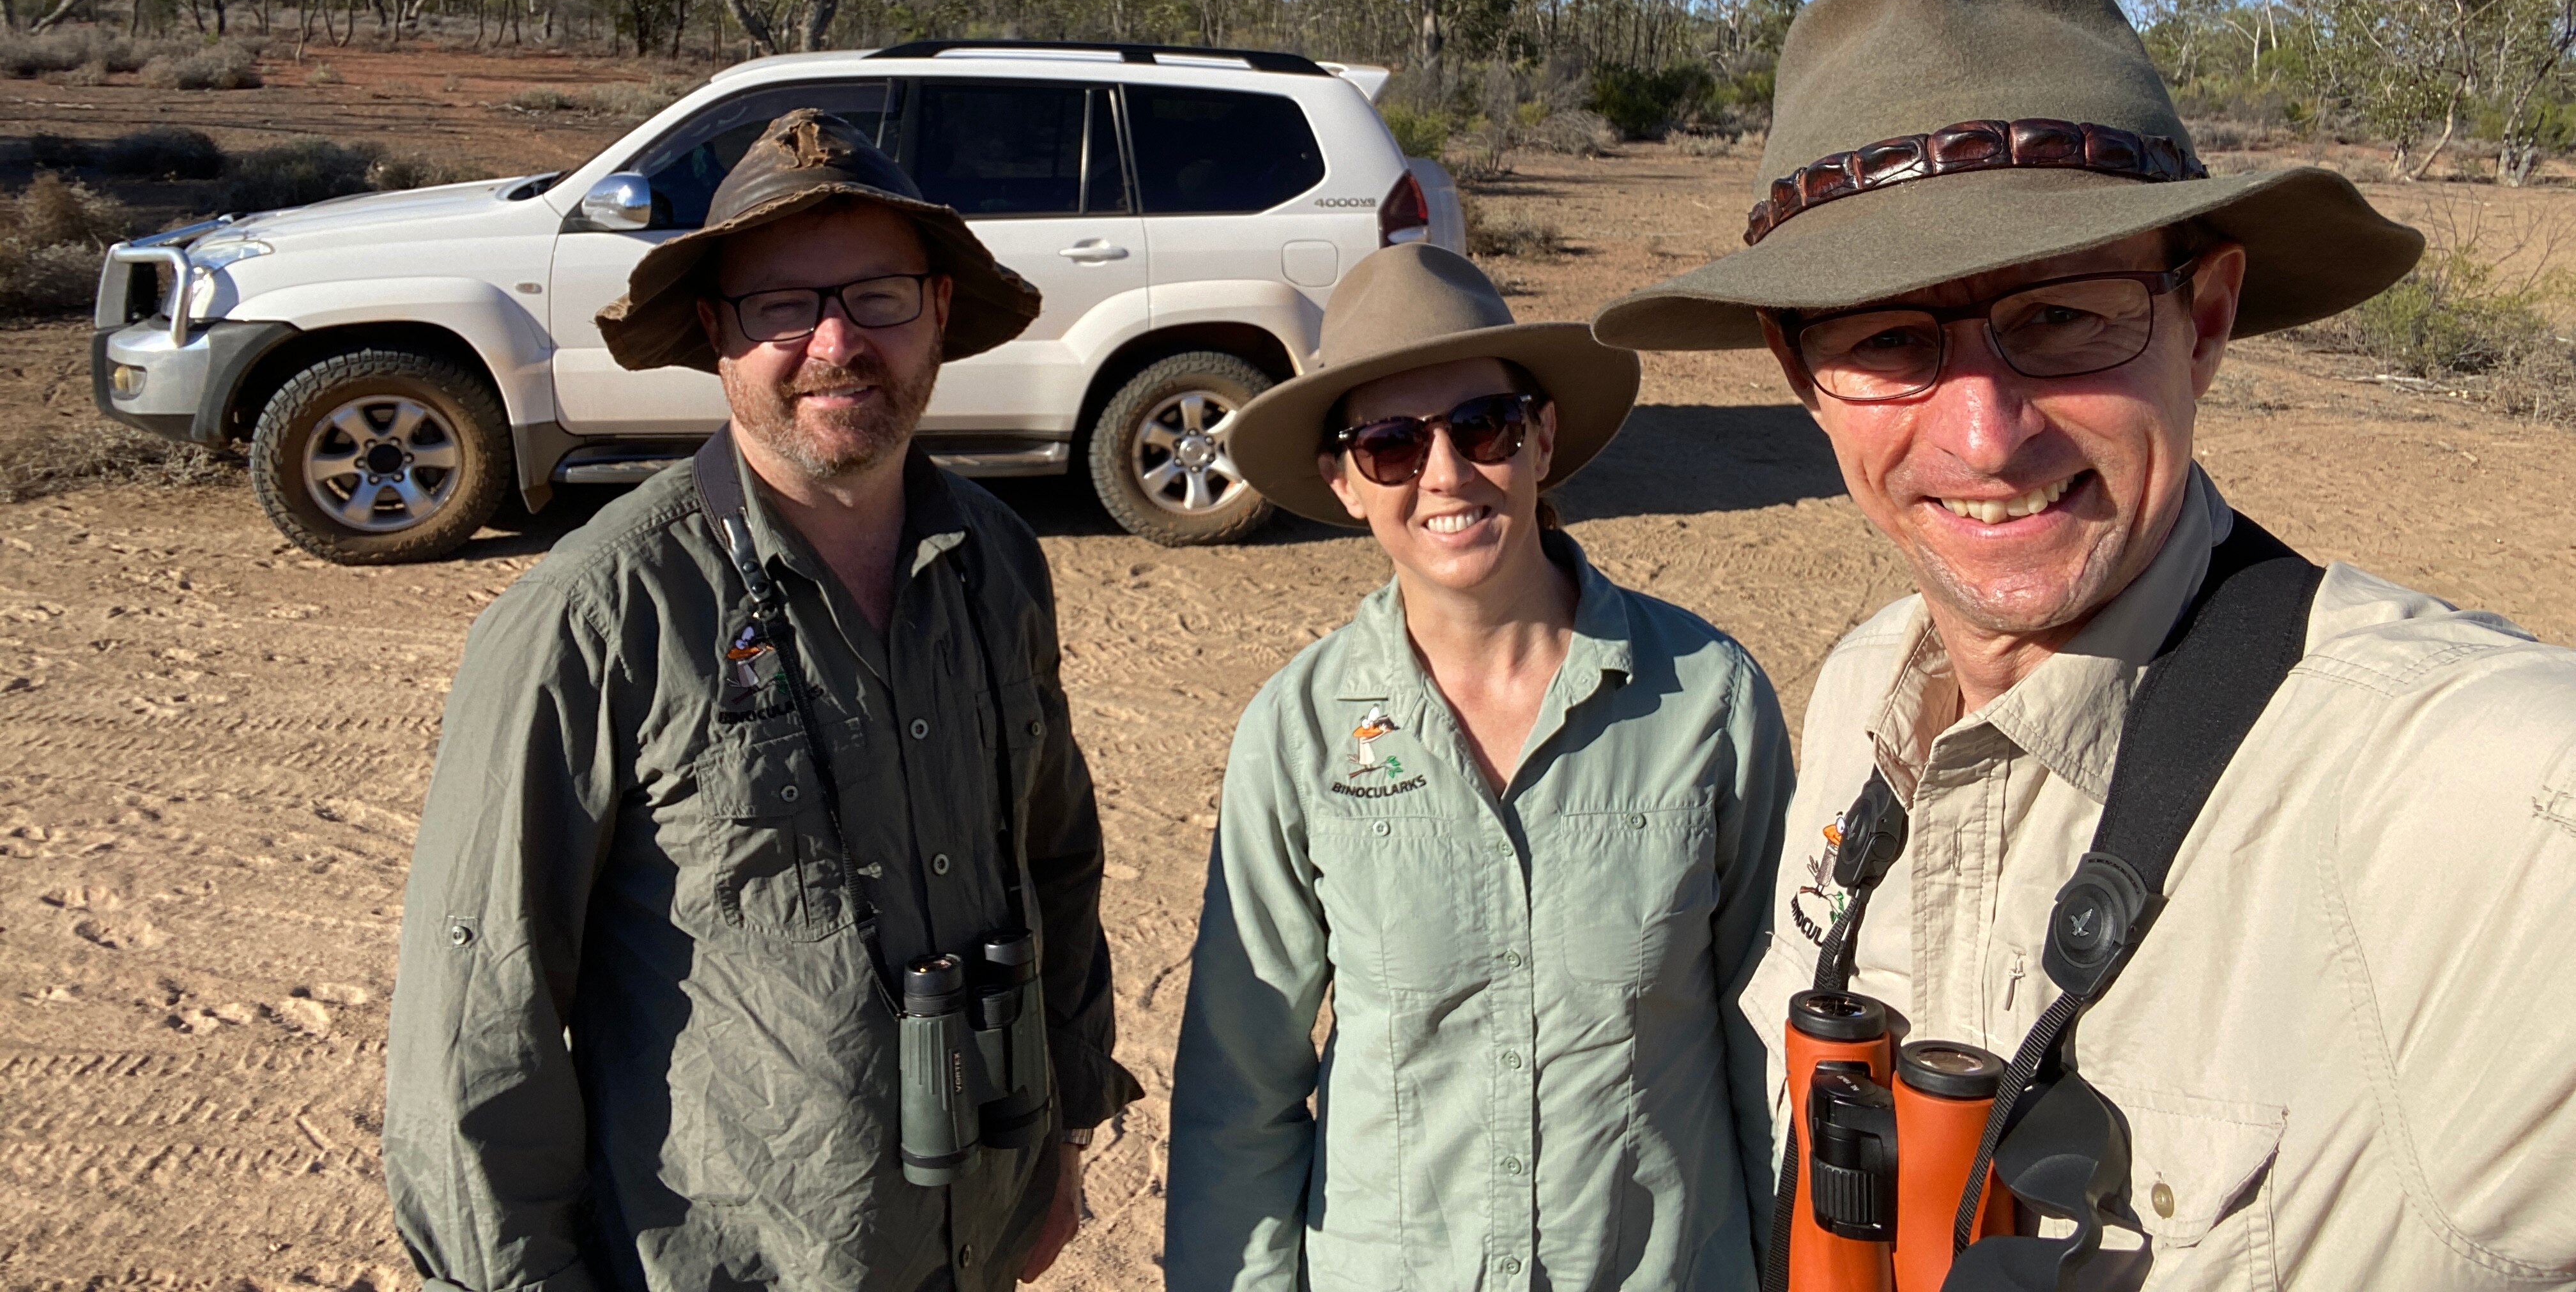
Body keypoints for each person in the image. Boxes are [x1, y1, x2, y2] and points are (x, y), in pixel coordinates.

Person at [1595, 0, 2576, 1289]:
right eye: (1888, 340)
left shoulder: (2458, 795)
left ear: (2205, 321)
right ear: (1801, 374)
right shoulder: (1868, 687)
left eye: (2062, 316)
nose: (1985, 435)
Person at [385, 109, 1140, 1292]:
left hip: (977, 1236)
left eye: (880, 295)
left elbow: (1056, 861)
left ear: (940, 310)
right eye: (782, 306)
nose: (837, 341)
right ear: (716, 335)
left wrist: (1067, 1131)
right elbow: (480, 1012)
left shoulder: (996, 559)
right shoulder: (594, 615)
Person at [1165, 243, 1796, 1292]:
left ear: (1541, 439)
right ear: (1343, 481)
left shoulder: (1709, 700)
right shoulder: (1299, 731)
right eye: (1390, 445)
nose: (1447, 473)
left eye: (1484, 426)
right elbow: (1242, 1086)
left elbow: (1768, 1042)